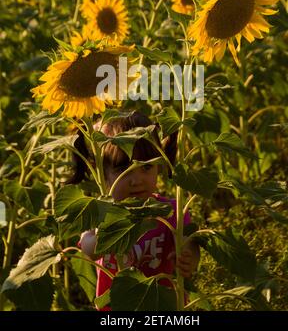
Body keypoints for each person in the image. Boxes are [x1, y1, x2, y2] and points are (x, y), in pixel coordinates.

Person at [69, 111, 200, 310]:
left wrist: (189, 257)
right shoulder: (100, 210)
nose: (136, 180)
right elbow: (89, 249)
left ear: (159, 165)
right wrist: (106, 233)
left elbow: (189, 243)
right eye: (123, 169)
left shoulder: (170, 211)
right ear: (102, 173)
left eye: (146, 168)